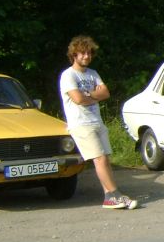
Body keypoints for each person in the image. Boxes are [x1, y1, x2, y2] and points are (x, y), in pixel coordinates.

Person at [59, 35, 139, 210]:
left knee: (105, 160)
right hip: (81, 124)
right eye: (82, 53)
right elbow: (78, 98)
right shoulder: (68, 75)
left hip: (97, 121)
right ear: (74, 54)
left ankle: (109, 197)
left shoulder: (93, 73)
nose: (86, 56)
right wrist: (92, 95)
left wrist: (89, 95)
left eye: (89, 53)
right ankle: (116, 195)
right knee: (99, 159)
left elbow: (106, 93)